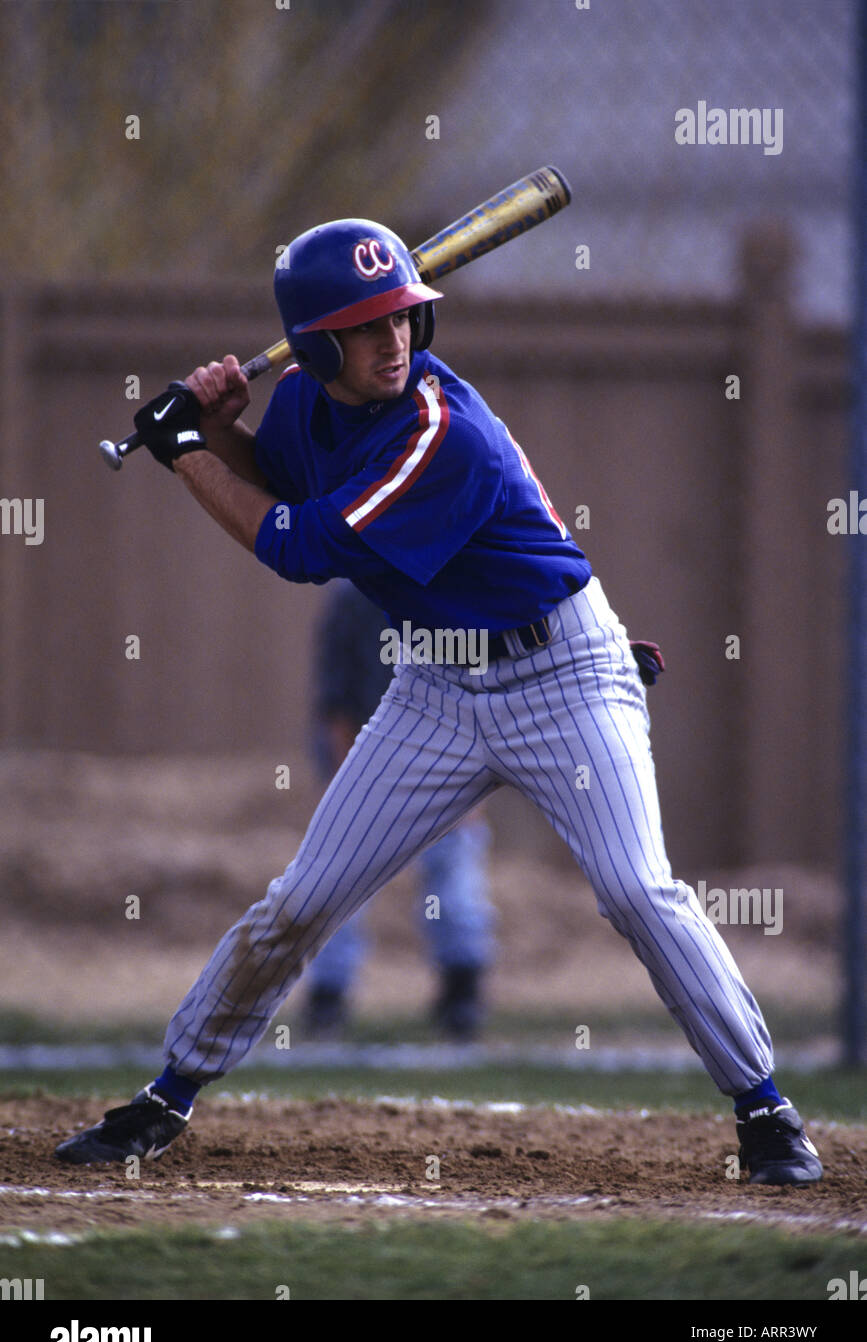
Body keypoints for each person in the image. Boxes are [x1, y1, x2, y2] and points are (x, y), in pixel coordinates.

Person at [56, 218, 822, 1185]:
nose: (396, 342)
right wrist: (211, 431)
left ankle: (766, 1113)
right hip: (434, 686)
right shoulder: (299, 405)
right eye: (369, 327)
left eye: (408, 319)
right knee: (301, 902)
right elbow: (278, 482)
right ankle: (164, 1099)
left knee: (637, 890)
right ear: (318, 345)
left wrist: (181, 455)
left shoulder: (438, 430)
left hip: (564, 675)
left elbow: (297, 548)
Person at [305, 578, 495, 1040]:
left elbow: (480, 691)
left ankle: (461, 994)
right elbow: (336, 699)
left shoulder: (453, 589)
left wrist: (475, 780)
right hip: (369, 763)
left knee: (455, 882)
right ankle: (328, 999)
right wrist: (346, 780)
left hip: (444, 763)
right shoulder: (354, 598)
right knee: (339, 886)